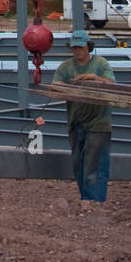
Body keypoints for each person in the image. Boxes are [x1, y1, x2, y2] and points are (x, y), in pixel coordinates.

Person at [52, 30, 116, 209]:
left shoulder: (100, 64)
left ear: (89, 46)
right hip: (76, 122)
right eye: (74, 48)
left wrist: (94, 79)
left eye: (80, 47)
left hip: (98, 122)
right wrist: (69, 86)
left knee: (95, 163)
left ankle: (95, 202)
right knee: (79, 165)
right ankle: (86, 199)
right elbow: (55, 84)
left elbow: (112, 83)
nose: (77, 51)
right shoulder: (66, 67)